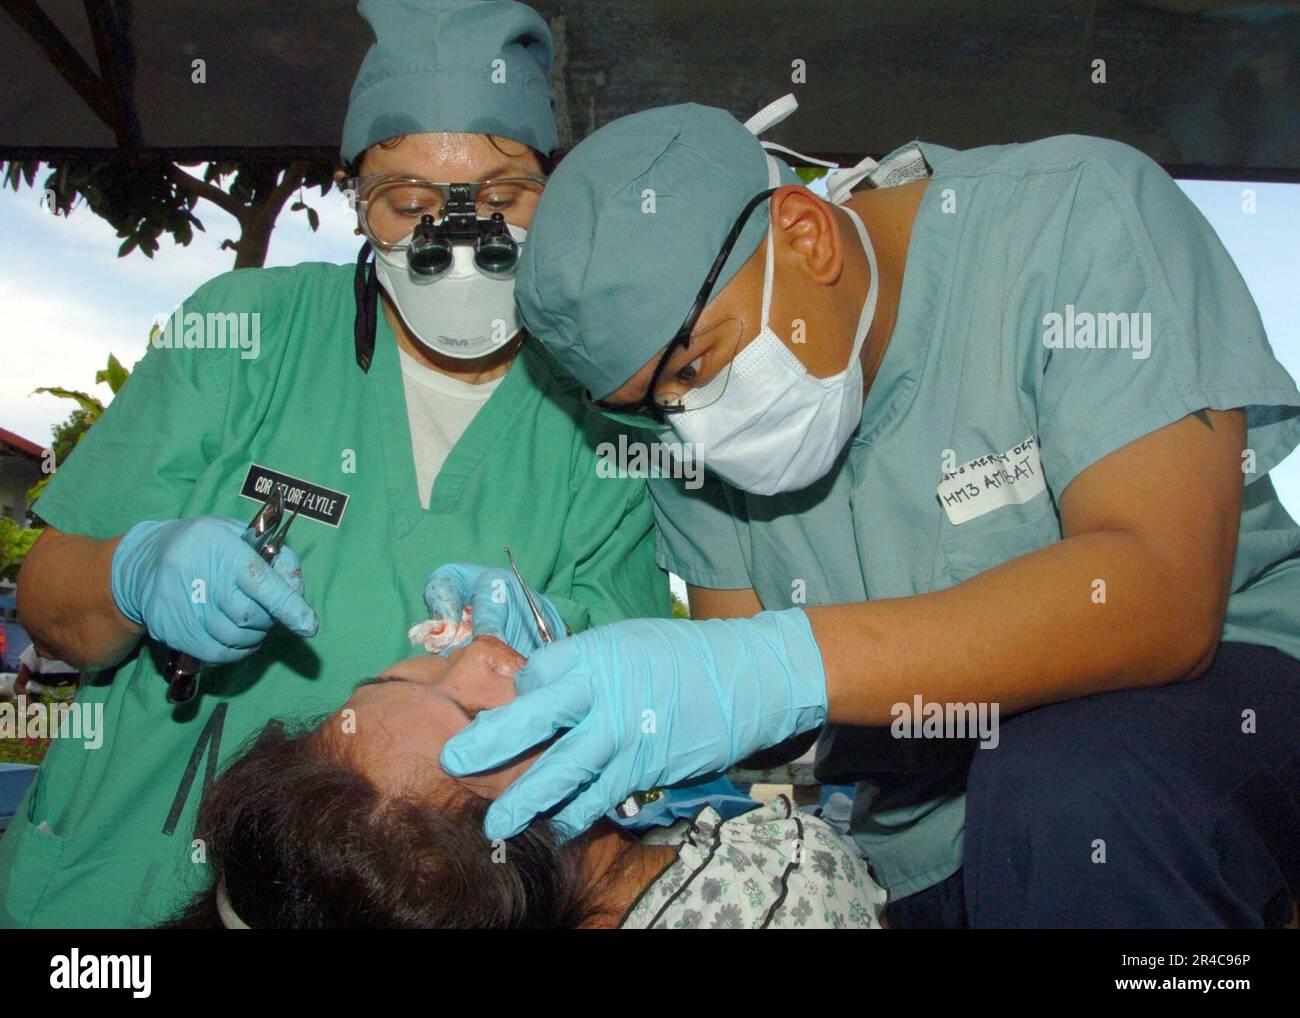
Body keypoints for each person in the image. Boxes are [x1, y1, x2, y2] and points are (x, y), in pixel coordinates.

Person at [433, 99, 1300, 928]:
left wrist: (776, 663)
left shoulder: (1072, 219)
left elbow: (1157, 596)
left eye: (696, 367)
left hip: (1202, 718)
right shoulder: (690, 442)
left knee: (1066, 787)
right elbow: (768, 729)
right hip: (918, 845)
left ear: (805, 237)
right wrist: (574, 683)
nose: (693, 423)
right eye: (652, 406)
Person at [0, 0, 667, 928]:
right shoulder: (247, 335)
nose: (462, 239)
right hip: (106, 888)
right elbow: (49, 607)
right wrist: (131, 576)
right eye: (411, 203)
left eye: (504, 197)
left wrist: (558, 654)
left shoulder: (601, 418)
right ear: (356, 197)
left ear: (553, 193)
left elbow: (638, 717)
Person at [163, 636, 886, 929]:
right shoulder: (788, 884)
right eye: (472, 707)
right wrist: (777, 665)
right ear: (529, 828)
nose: (477, 647)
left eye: (391, 677)